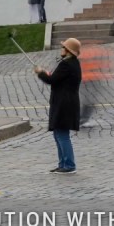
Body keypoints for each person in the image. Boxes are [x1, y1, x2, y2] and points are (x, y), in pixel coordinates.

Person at [35, 38, 82, 174]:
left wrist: (40, 72)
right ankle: (63, 163)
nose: (61, 49)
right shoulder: (72, 63)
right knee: (58, 134)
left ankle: (68, 164)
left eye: (63, 47)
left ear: (68, 51)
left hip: (64, 104)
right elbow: (57, 78)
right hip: (66, 102)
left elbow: (51, 80)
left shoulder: (66, 64)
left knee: (62, 134)